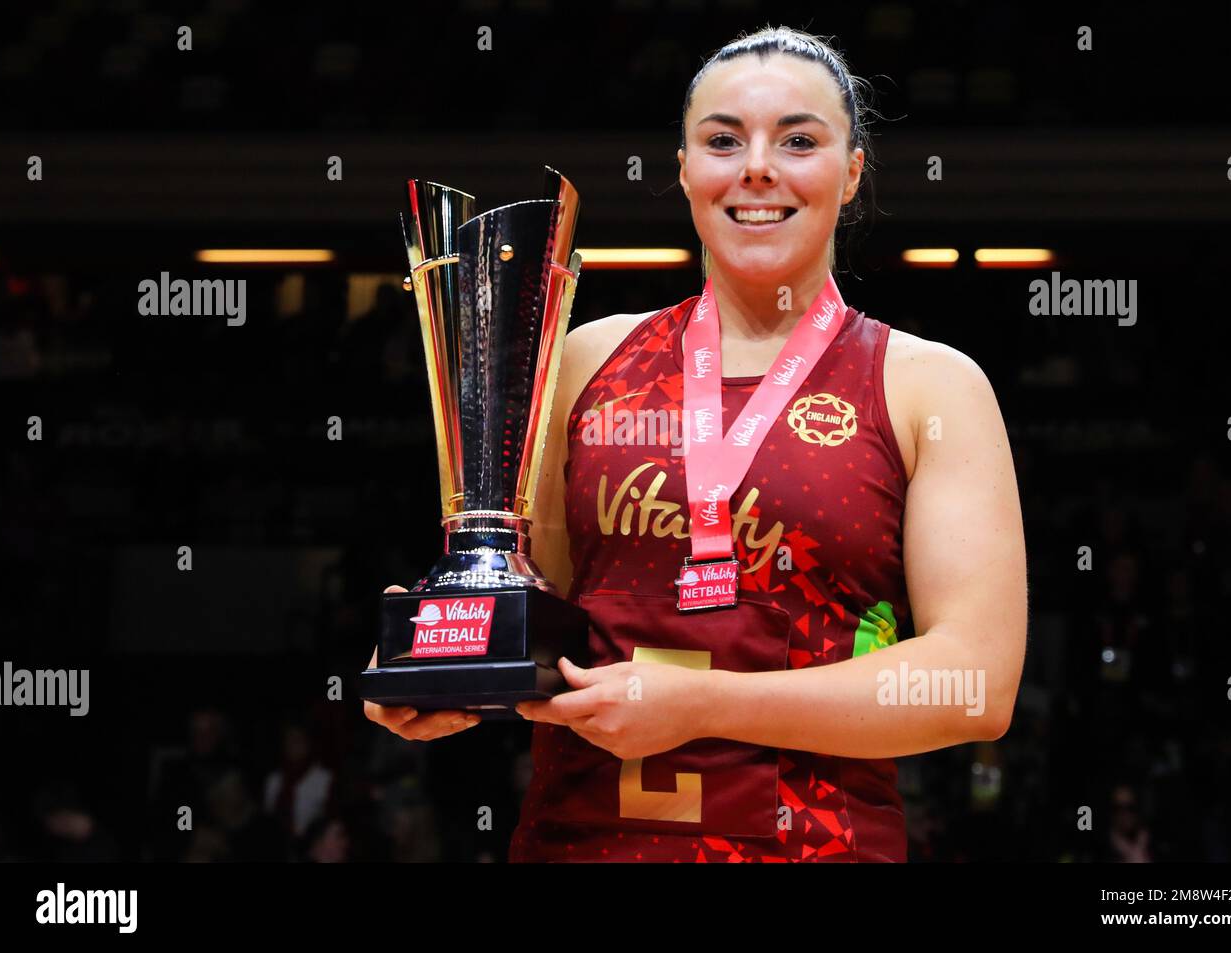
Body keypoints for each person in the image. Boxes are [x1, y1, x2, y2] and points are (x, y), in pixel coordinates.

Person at [364, 25, 1026, 862]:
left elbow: (975, 686)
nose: (757, 167)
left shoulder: (930, 386)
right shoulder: (583, 361)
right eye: (722, 140)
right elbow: (543, 613)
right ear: (682, 170)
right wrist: (447, 664)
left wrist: (706, 703)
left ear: (853, 170)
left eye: (798, 139)